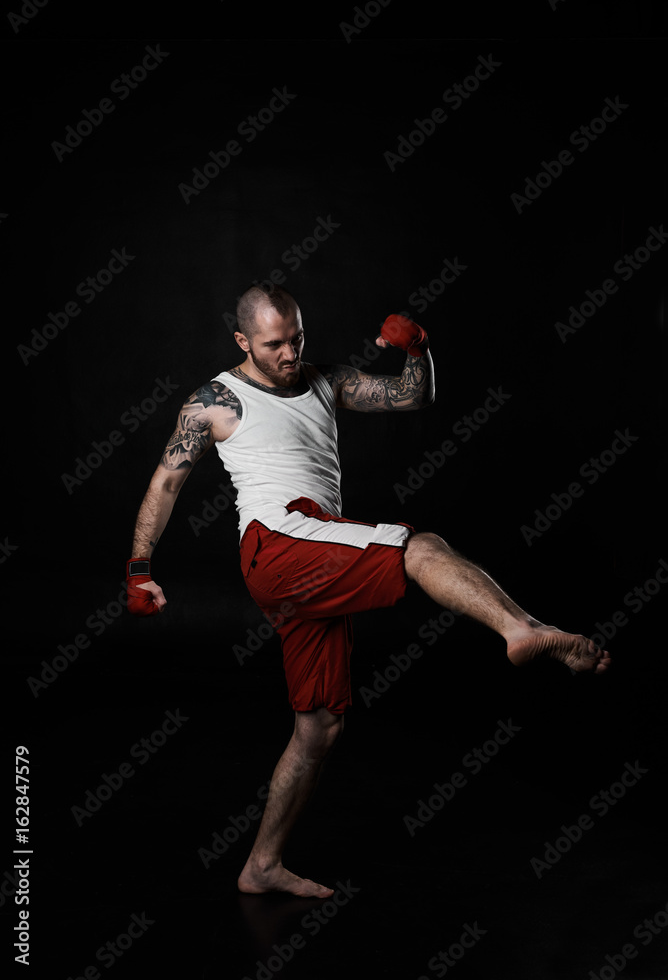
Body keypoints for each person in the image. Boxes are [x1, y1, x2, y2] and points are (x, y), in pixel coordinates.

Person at [126, 283, 610, 899]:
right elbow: (166, 483)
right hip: (279, 545)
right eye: (274, 344)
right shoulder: (215, 400)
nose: (289, 353)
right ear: (244, 341)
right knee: (421, 546)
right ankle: (523, 629)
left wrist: (418, 349)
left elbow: (414, 395)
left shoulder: (326, 382)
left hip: (313, 551)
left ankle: (261, 866)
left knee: (321, 725)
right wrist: (139, 570)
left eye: (297, 338)